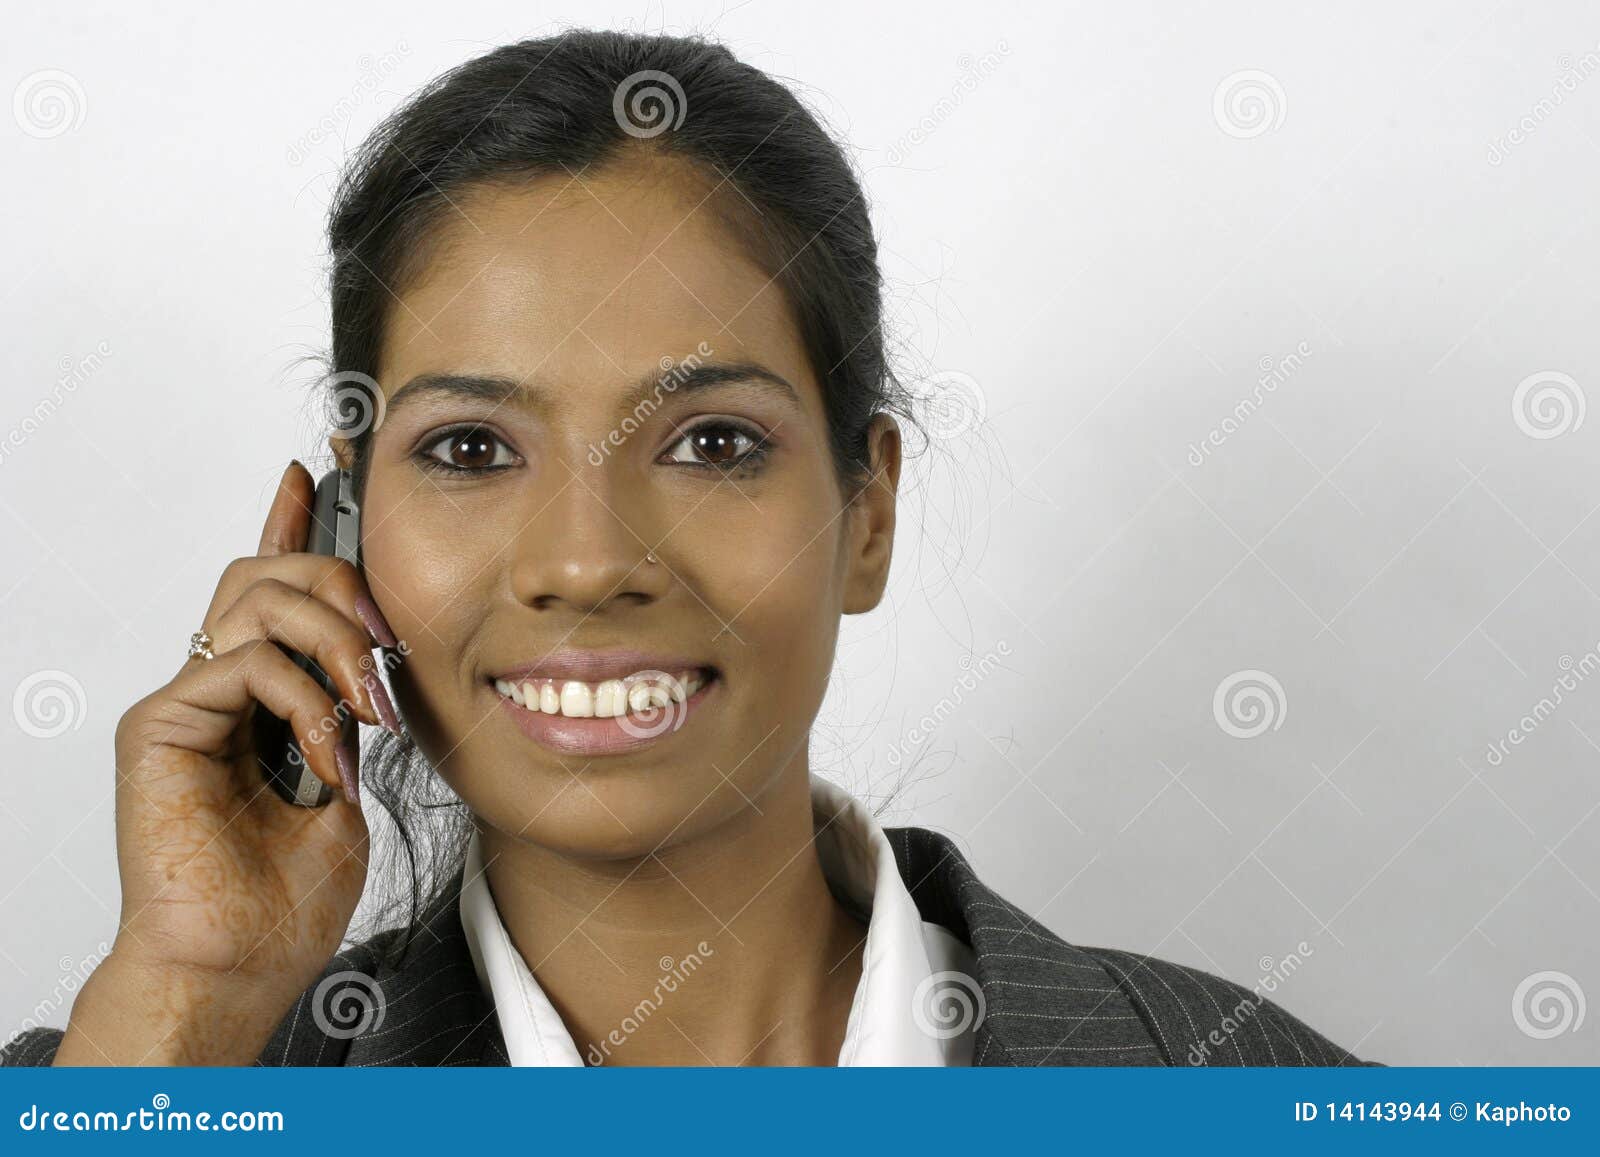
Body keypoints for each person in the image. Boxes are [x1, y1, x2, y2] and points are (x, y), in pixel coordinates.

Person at [1, 28, 1374, 1068]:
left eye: (712, 442)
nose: (588, 562)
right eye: (472, 449)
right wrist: (188, 997)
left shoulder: (1252, 1082)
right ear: (344, 533)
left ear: (869, 513)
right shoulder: (141, 1077)